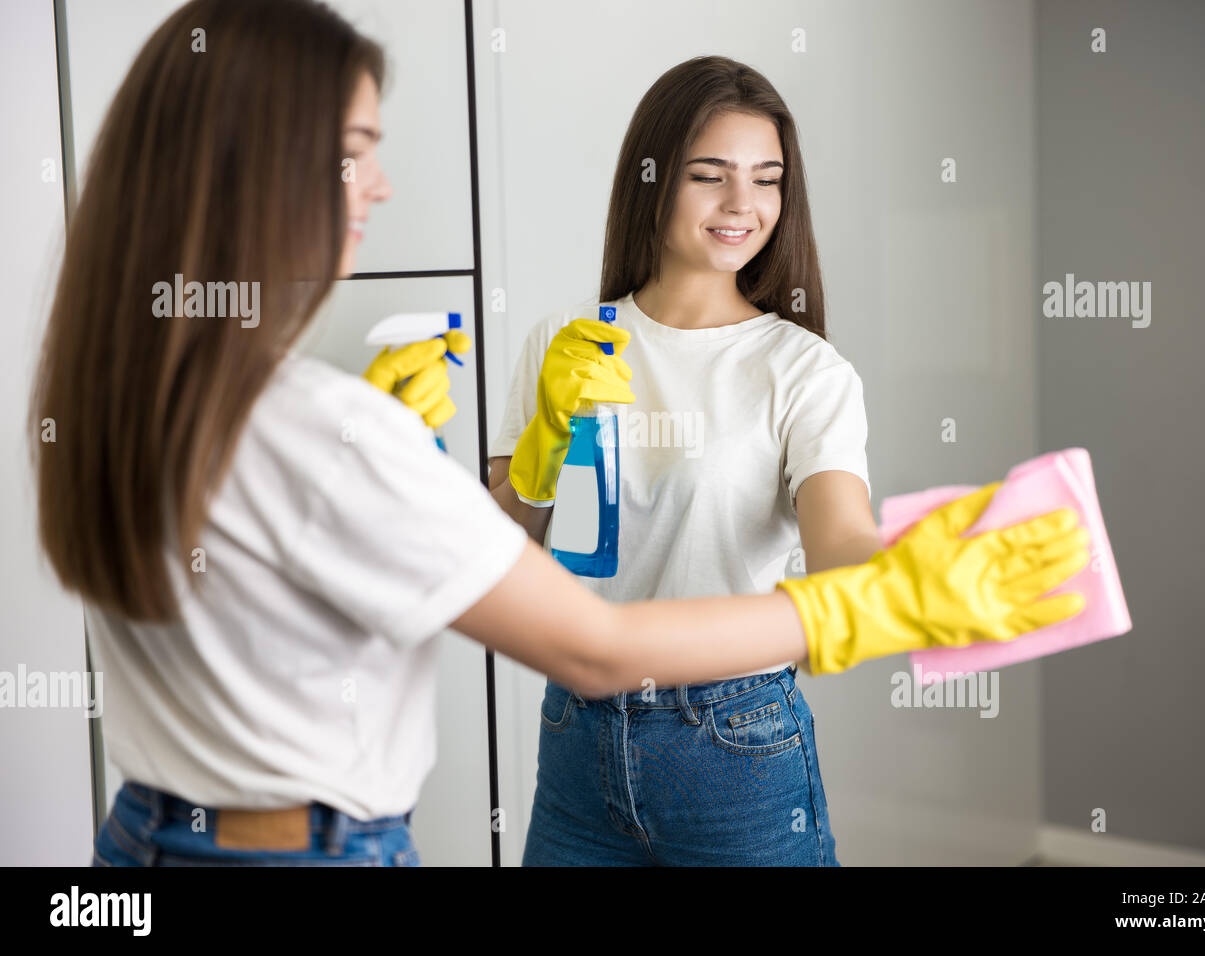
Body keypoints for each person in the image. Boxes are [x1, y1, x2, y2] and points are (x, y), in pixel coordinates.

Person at [29, 0, 1089, 867]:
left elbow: (833, 533)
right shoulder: (509, 358)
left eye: (766, 179)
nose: (385, 184)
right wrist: (508, 453)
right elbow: (581, 631)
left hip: (150, 837)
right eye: (356, 151)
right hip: (548, 749)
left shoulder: (118, 393)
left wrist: (894, 571)